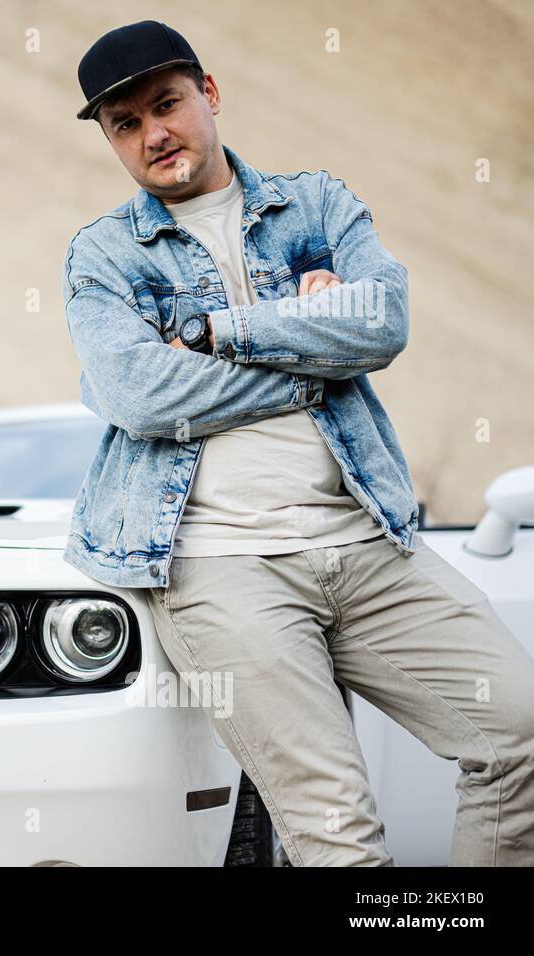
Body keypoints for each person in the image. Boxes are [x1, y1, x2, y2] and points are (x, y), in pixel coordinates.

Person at [62, 19, 534, 865]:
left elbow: (381, 321)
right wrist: (312, 346)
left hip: (367, 545)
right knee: (336, 829)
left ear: (209, 94)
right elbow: (138, 394)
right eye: (125, 124)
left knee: (520, 734)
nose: (152, 134)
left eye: (165, 105)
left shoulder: (316, 205)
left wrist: (215, 331)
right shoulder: (103, 257)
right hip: (223, 567)